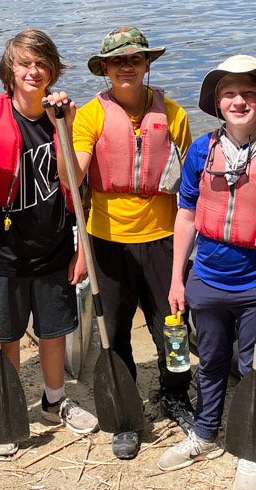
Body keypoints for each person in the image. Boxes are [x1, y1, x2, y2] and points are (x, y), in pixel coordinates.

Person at [156, 55, 256, 490]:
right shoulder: (203, 150)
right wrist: (176, 279)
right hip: (206, 277)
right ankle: (204, 434)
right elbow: (186, 214)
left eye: (248, 92)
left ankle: (250, 449)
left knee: (254, 367)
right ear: (217, 102)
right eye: (230, 93)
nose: (239, 100)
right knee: (210, 361)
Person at [0, 28, 99, 456]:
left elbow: (73, 183)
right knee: (7, 338)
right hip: (4, 254)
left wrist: (64, 128)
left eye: (41, 64)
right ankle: (13, 411)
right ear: (10, 71)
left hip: (53, 248)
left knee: (54, 334)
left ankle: (55, 401)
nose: (33, 72)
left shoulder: (63, 117)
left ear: (52, 70)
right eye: (24, 64)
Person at [58, 26, 192, 460]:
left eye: (135, 59)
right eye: (118, 61)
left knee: (172, 331)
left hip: (164, 239)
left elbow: (190, 186)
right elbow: (72, 178)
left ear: (148, 63)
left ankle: (175, 395)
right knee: (112, 335)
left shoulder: (173, 114)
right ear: (105, 70)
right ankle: (123, 412)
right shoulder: (91, 117)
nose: (127, 67)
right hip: (107, 241)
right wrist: (62, 130)